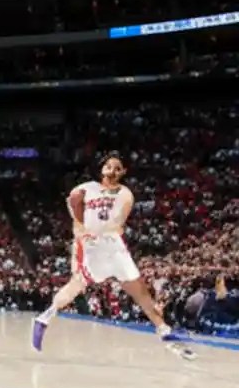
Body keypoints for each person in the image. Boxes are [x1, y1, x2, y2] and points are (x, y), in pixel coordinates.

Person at [32, 153, 195, 360]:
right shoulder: (87, 188)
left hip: (115, 246)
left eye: (118, 168)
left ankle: (164, 330)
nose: (113, 170)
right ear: (102, 169)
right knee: (78, 284)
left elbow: (119, 220)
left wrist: (104, 227)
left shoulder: (125, 193)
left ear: (123, 172)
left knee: (140, 291)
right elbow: (72, 201)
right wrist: (80, 227)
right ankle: (44, 318)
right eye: (109, 166)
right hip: (93, 246)